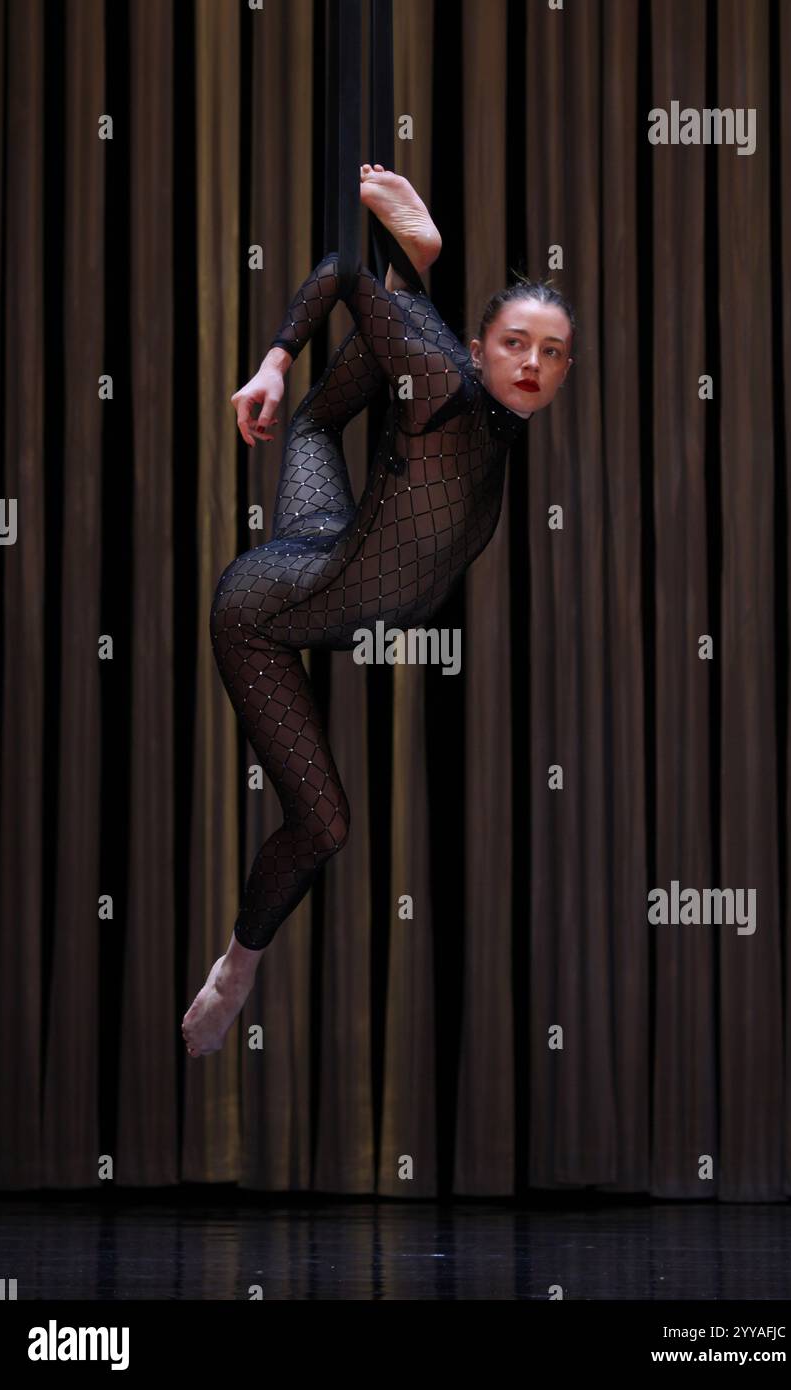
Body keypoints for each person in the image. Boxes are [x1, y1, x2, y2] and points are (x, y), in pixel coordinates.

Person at [182, 165, 574, 1057]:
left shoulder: (484, 418)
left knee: (323, 424)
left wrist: (393, 300)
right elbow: (339, 275)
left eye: (552, 353)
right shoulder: (447, 381)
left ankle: (416, 273)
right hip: (265, 611)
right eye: (516, 343)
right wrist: (274, 366)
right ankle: (238, 965)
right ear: (481, 351)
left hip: (327, 543)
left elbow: (335, 411)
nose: (533, 364)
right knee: (325, 825)